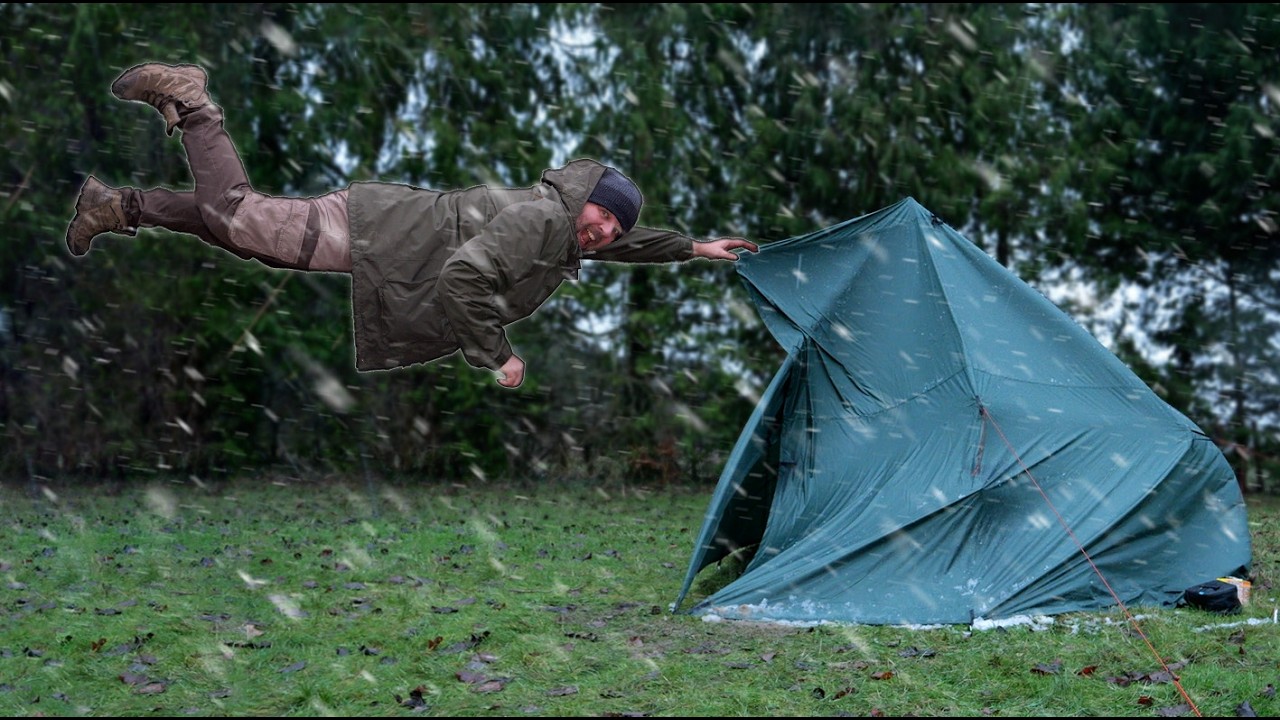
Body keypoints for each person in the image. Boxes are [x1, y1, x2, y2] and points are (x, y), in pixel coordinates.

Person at [65, 62, 758, 388]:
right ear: (582, 201)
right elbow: (463, 279)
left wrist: (695, 247)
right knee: (237, 218)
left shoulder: (562, 226)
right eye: (603, 216)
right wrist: (498, 355)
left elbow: (626, 245)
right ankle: (194, 105)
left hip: (379, 230)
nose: (605, 233)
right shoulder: (546, 224)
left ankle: (117, 205)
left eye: (611, 228)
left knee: (240, 235)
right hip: (375, 238)